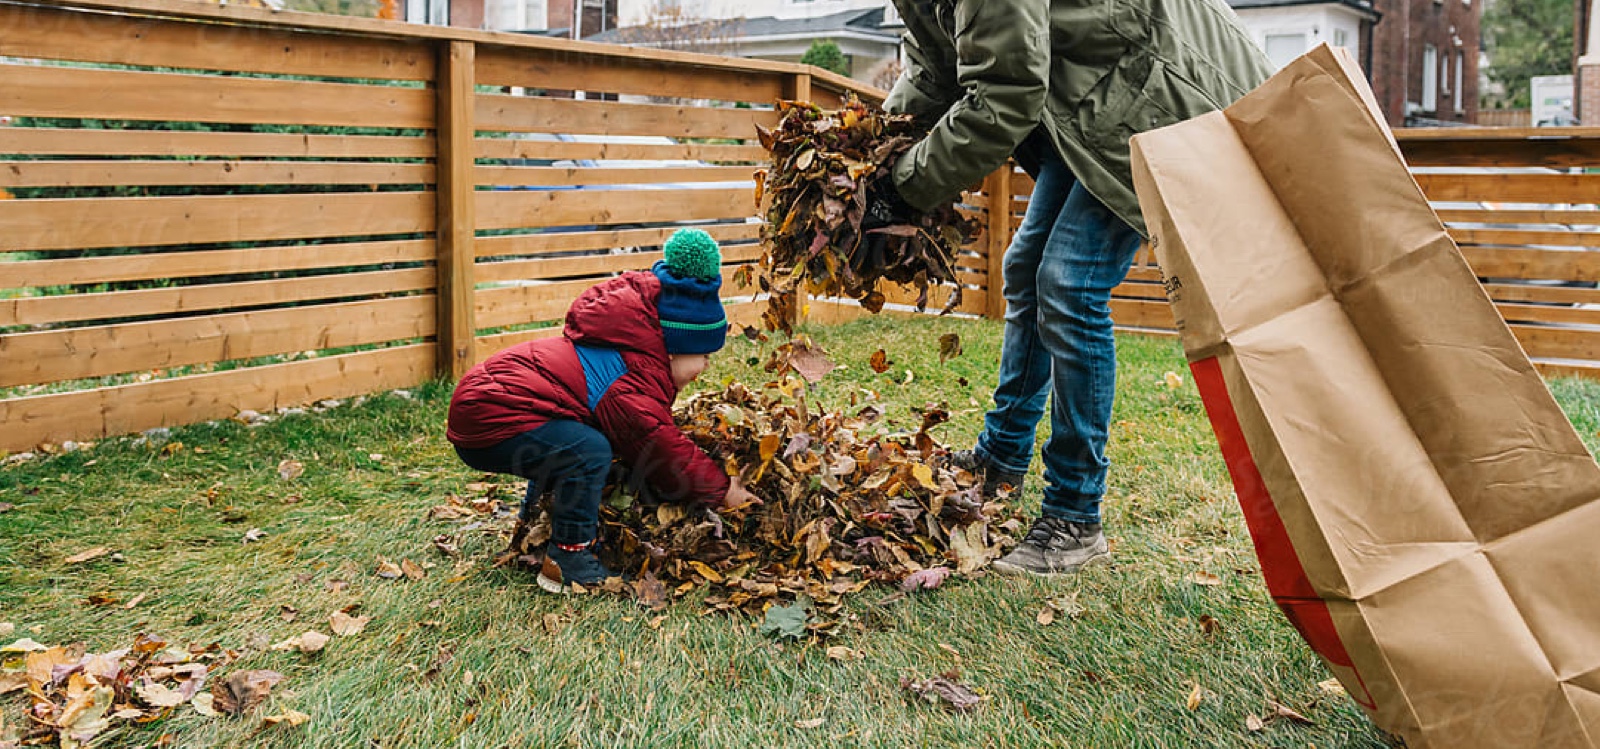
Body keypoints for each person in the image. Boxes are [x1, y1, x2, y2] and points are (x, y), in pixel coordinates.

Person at [869, 0, 1274, 576]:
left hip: (1170, 93)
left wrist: (903, 188)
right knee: (1026, 268)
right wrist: (874, 160)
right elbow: (935, 68)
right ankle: (1000, 459)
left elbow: (1006, 97)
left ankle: (1075, 516)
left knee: (1069, 283)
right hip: (1097, 93)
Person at [446, 228, 760, 593]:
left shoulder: (627, 354)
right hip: (490, 417)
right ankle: (567, 562)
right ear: (673, 347)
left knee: (567, 443)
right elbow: (660, 447)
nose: (705, 366)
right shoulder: (630, 377)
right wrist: (721, 491)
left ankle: (535, 522)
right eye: (703, 355)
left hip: (490, 409)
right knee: (589, 451)